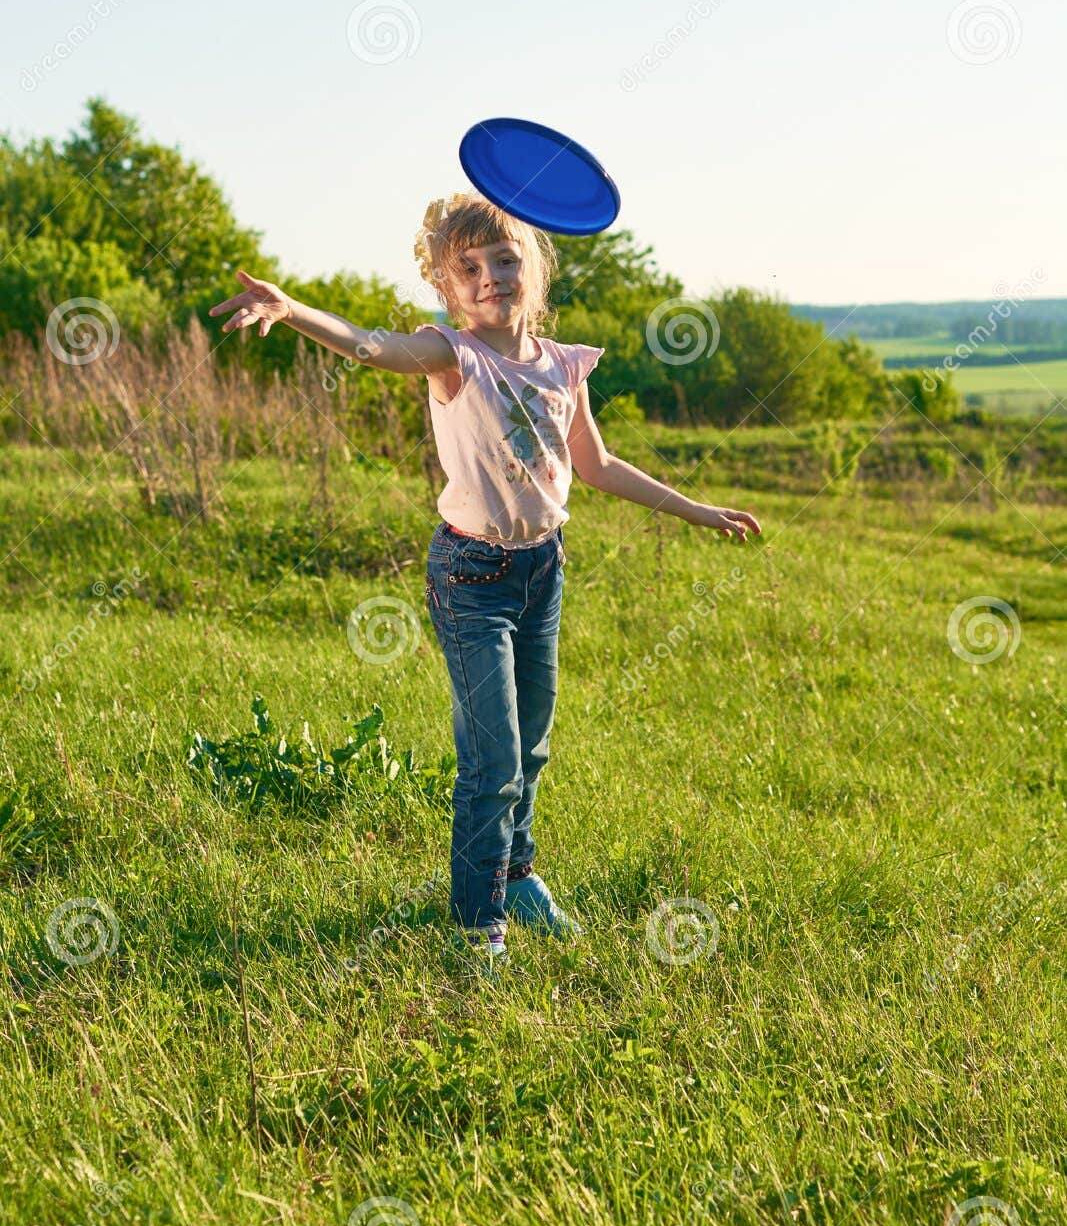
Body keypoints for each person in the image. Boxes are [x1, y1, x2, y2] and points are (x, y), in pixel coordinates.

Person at [209, 193, 761, 978]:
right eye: (467, 267)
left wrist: (693, 508)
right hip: (472, 577)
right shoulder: (451, 356)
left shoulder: (563, 363)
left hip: (543, 571)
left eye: (505, 260)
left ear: (535, 274)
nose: (490, 276)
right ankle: (476, 927)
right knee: (490, 762)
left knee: (530, 747)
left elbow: (595, 466)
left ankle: (518, 874)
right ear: (446, 288)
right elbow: (371, 346)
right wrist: (292, 309)